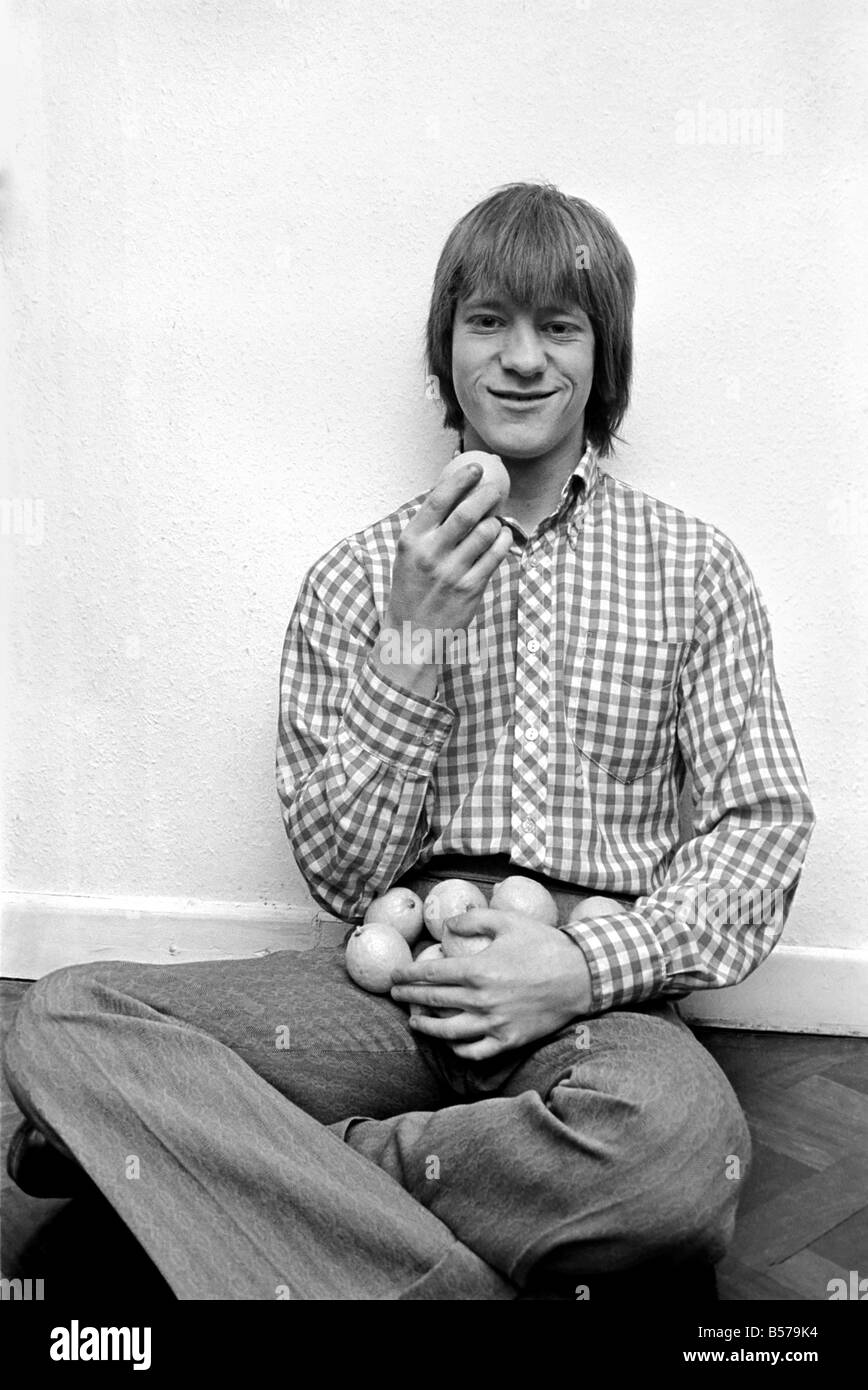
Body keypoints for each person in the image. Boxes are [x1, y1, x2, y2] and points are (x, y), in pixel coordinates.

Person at [4, 182, 815, 1300]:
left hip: (592, 1010)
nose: (522, 357)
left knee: (675, 1157)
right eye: (488, 320)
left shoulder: (695, 569)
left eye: (559, 325)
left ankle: (196, 1166)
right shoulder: (352, 579)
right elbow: (342, 872)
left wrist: (580, 966)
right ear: (447, 348)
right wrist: (414, 640)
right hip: (389, 985)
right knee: (64, 1018)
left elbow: (758, 826)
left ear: (602, 355)